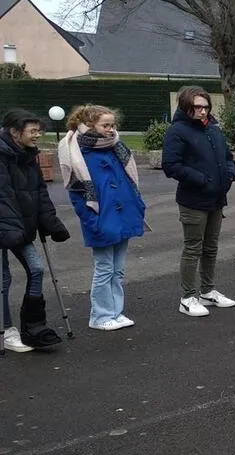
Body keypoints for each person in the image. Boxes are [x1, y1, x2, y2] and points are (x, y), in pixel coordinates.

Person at [58, 105, 146, 331]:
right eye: (105, 125)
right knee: (104, 268)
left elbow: (128, 180)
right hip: (101, 217)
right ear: (89, 125)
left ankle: (115, 312)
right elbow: (77, 192)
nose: (111, 129)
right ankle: (100, 315)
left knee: (118, 269)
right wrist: (92, 220)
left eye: (112, 125)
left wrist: (137, 205)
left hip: (123, 215)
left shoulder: (115, 146)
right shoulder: (76, 152)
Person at [162, 86, 235, 317]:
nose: (203, 111)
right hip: (193, 199)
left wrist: (230, 173)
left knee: (210, 247)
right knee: (193, 247)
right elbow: (171, 165)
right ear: (186, 107)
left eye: (205, 107)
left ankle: (207, 291)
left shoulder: (213, 129)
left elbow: (228, 157)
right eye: (197, 107)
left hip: (216, 198)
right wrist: (201, 179)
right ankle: (187, 297)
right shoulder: (177, 131)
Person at [0, 108, 71, 350]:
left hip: (20, 227)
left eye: (38, 131)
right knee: (3, 279)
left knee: (37, 269)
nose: (37, 135)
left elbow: (40, 192)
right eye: (32, 131)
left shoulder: (29, 156)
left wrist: (52, 223)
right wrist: (11, 229)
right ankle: (6, 331)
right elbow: (3, 196)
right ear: (14, 132)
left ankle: (33, 325)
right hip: (7, 225)